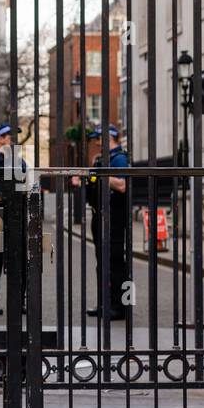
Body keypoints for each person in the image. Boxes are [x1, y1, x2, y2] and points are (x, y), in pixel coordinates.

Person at [71, 124, 130, 320]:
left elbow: (122, 184)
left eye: (99, 138)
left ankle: (121, 306)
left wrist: (97, 175)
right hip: (100, 215)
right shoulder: (102, 160)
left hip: (114, 216)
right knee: (102, 262)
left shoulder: (120, 158)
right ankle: (104, 303)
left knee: (115, 261)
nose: (96, 142)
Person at [0, 123, 34, 317]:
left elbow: (28, 183)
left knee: (19, 260)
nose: (12, 140)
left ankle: (18, 301)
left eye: (12, 137)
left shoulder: (20, 162)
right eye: (8, 137)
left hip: (17, 215)